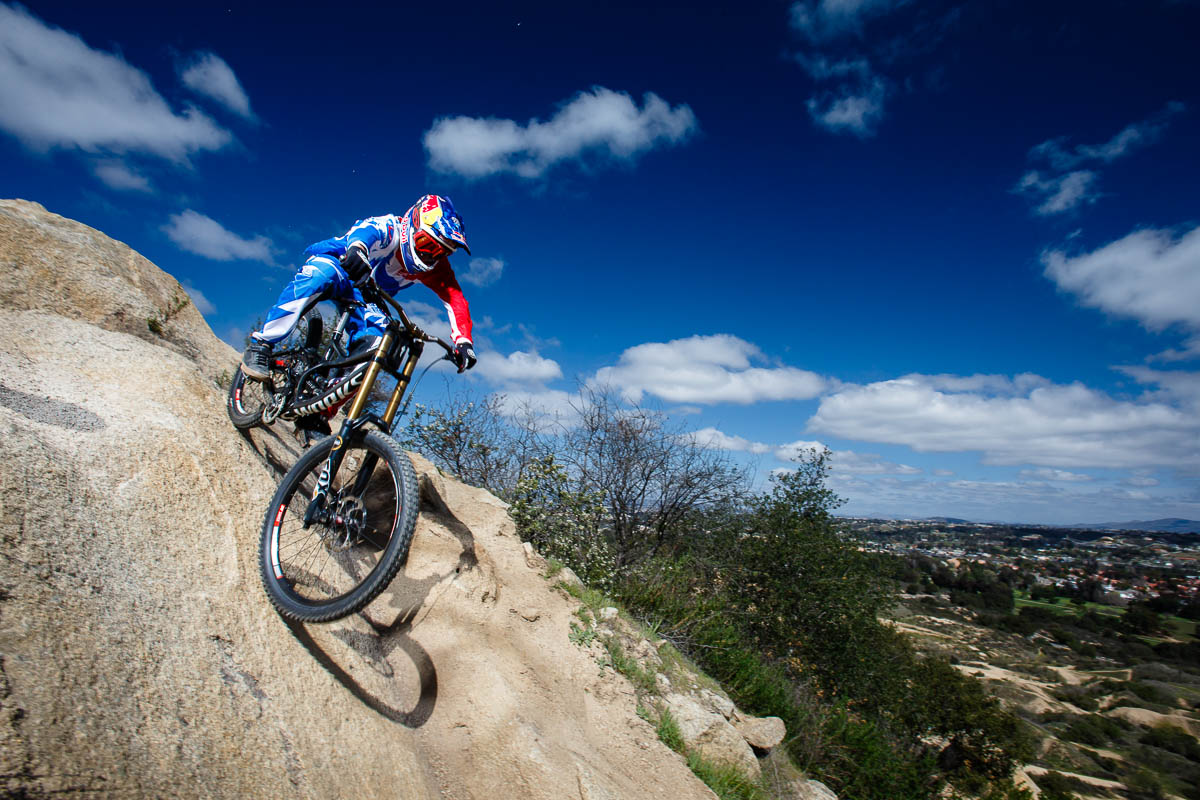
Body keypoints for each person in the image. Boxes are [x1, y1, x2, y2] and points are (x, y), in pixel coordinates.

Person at [240, 194, 478, 382]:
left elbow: (456, 300)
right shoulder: (389, 227)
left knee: (381, 342)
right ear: (412, 225)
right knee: (320, 274)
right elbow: (364, 234)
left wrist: (464, 343)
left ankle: (323, 410)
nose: (432, 255)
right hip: (342, 267)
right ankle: (262, 345)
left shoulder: (435, 268)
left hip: (366, 295)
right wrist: (357, 250)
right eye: (428, 244)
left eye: (443, 251)